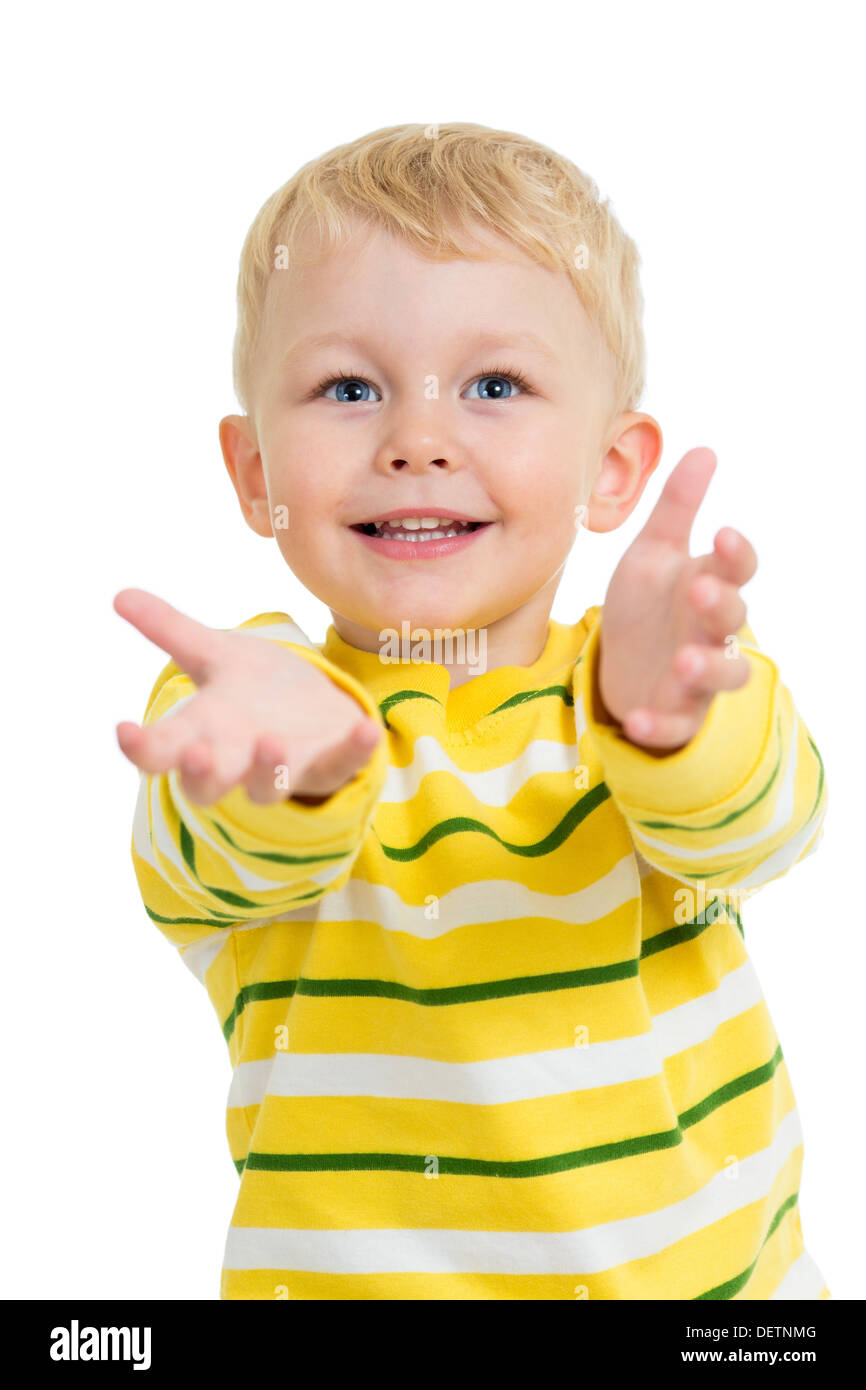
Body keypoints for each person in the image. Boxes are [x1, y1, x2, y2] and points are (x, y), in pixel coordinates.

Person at [115, 122, 830, 1300]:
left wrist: (666, 729)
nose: (417, 441)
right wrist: (291, 774)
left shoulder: (648, 678)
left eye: (493, 385)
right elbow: (219, 857)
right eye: (349, 387)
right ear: (253, 474)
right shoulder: (243, 701)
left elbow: (765, 829)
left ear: (612, 468)